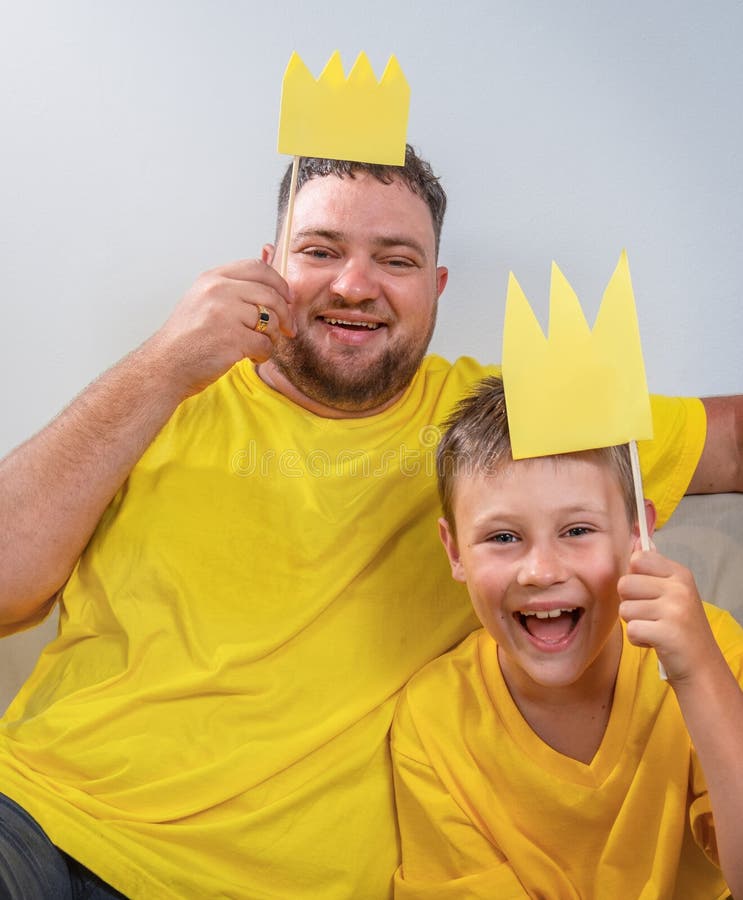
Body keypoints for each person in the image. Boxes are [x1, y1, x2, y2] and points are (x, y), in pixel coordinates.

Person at [0, 146, 739, 899]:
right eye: (320, 251)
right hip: (33, 817)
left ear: (436, 287)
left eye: (396, 259)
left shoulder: (507, 436)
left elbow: (731, 441)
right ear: (267, 263)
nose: (354, 286)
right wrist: (159, 365)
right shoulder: (166, 393)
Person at [391, 375, 743, 898]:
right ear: (455, 551)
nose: (541, 570)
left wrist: (697, 675)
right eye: (503, 537)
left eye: (577, 530)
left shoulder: (709, 645)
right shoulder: (433, 718)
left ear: (635, 535)